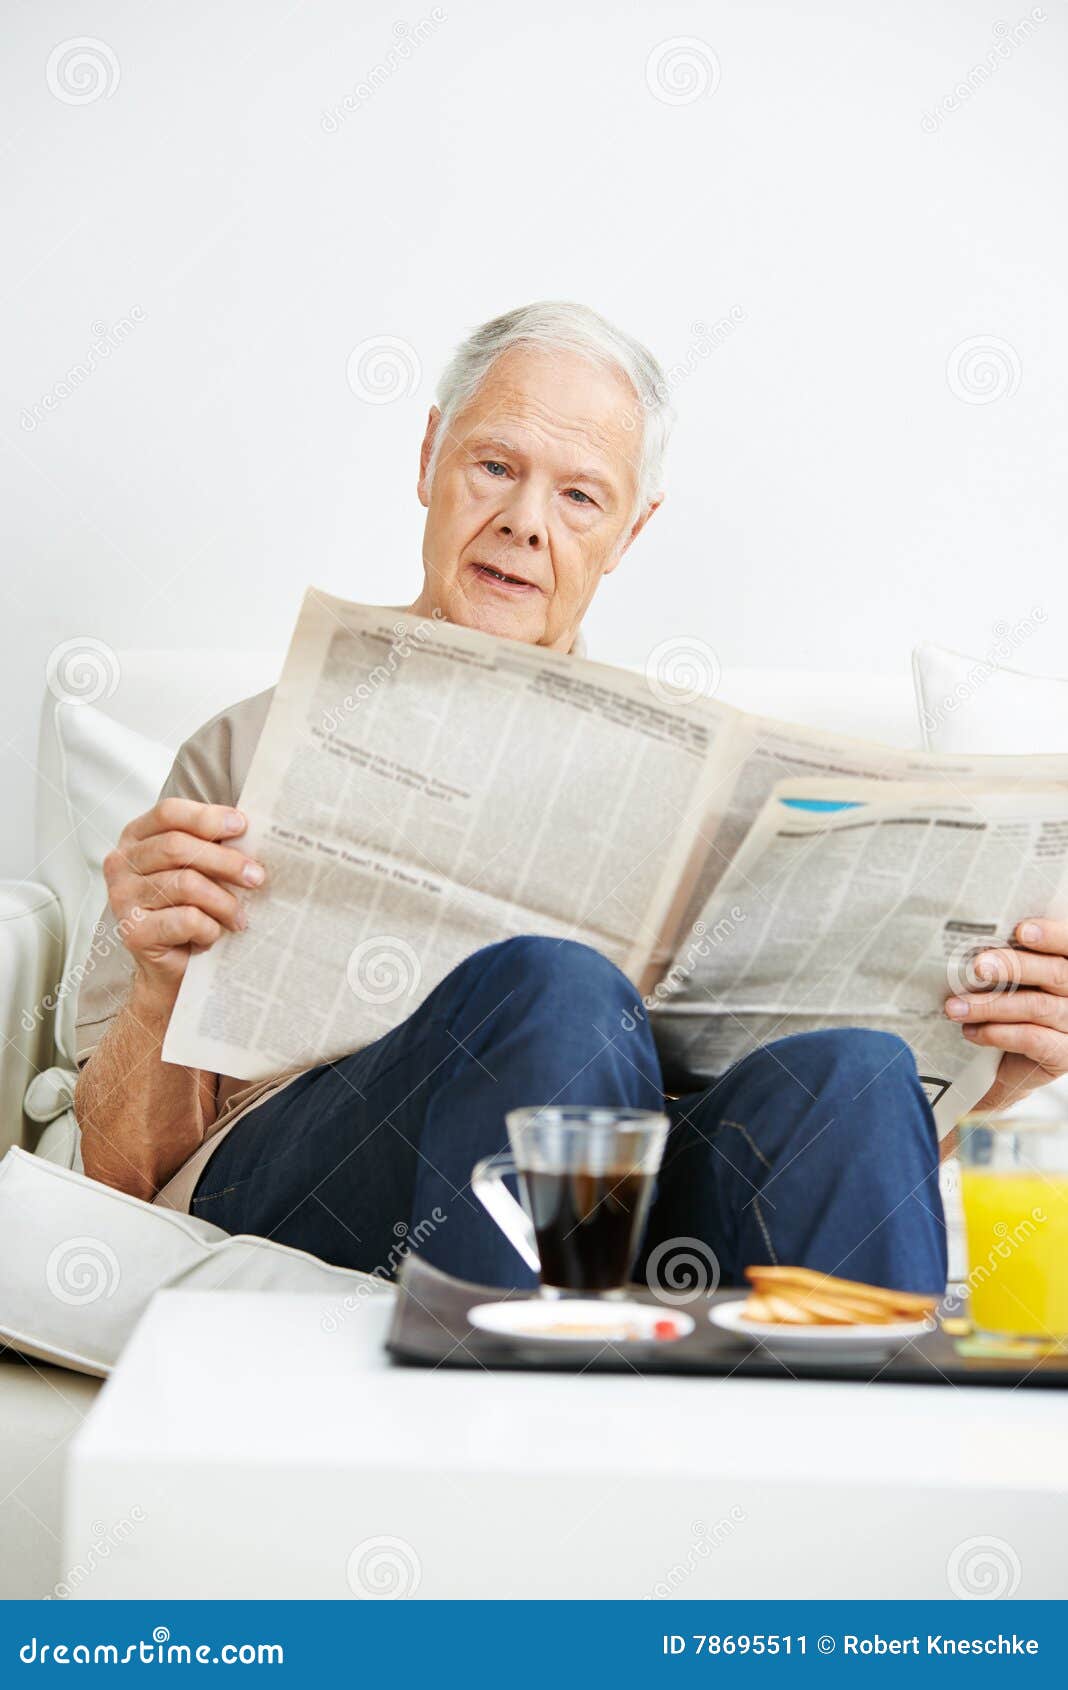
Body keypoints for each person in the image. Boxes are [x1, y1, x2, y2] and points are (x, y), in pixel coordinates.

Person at [72, 302, 1068, 1296]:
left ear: (632, 530)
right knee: (561, 991)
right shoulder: (249, 745)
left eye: (582, 497)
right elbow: (120, 1172)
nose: (526, 523)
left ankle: (855, 1444)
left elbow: (832, 1170)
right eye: (495, 467)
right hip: (311, 1173)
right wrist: (160, 982)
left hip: (617, 1189)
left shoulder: (690, 782)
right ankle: (523, 1420)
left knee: (855, 1073)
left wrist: (1003, 1078)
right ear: (430, 456)